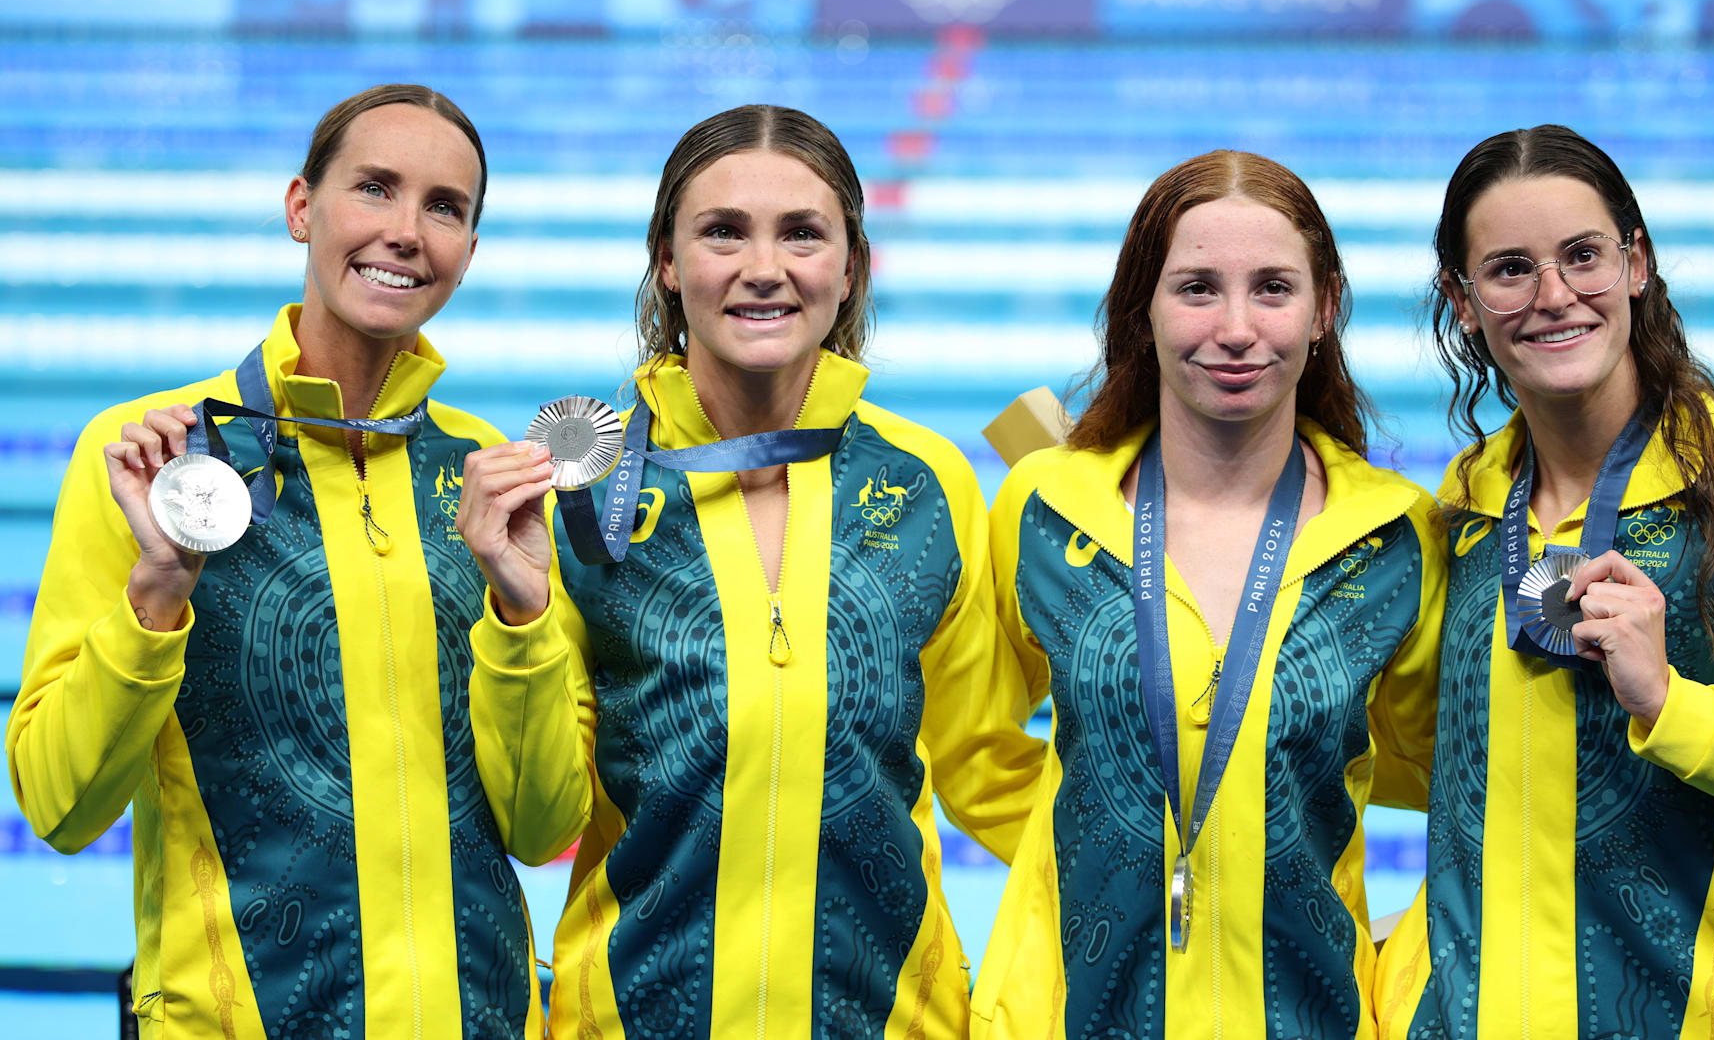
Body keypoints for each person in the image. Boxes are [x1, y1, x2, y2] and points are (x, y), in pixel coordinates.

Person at [455, 104, 1047, 1039]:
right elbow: (538, 824)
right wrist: (522, 613)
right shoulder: (581, 503)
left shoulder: (927, 486)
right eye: (724, 232)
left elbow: (983, 762)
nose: (764, 267)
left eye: (802, 233)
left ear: (850, 266)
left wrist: (1199, 856)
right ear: (667, 260)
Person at [6, 84, 544, 1038]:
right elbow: (60, 805)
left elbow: (543, 826)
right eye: (374, 187)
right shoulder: (153, 461)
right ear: (303, 207)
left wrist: (524, 620)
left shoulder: (485, 475)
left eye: (443, 207)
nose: (405, 231)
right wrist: (158, 593)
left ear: (468, 249)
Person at [1371, 124, 1714, 1039]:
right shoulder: (1466, 501)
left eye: (1583, 255)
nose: (1554, 296)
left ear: (1637, 263)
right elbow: (1446, 764)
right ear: (1463, 302)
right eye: (1510, 269)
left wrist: (1673, 705)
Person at [967, 149, 1444, 1039]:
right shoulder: (1043, 507)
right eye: (1196, 288)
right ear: (1141, 307)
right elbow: (973, 745)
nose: (1235, 329)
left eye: (1273, 288)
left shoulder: (1395, 537)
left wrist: (1400, 972)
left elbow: (1467, 790)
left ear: (1324, 308)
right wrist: (1114, 844)